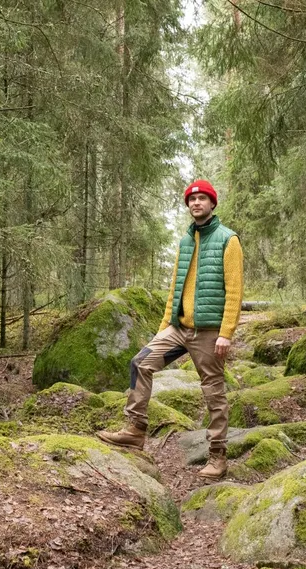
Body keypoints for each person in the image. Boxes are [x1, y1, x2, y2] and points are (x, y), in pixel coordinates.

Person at [97, 179, 243, 479]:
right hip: (179, 329)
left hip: (209, 332)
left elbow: (235, 291)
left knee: (213, 391)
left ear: (212, 204)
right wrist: (164, 327)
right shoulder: (185, 241)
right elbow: (175, 289)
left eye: (202, 198)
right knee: (141, 362)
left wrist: (226, 333)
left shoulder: (229, 240)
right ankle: (135, 430)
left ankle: (218, 456)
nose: (196, 203)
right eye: (192, 199)